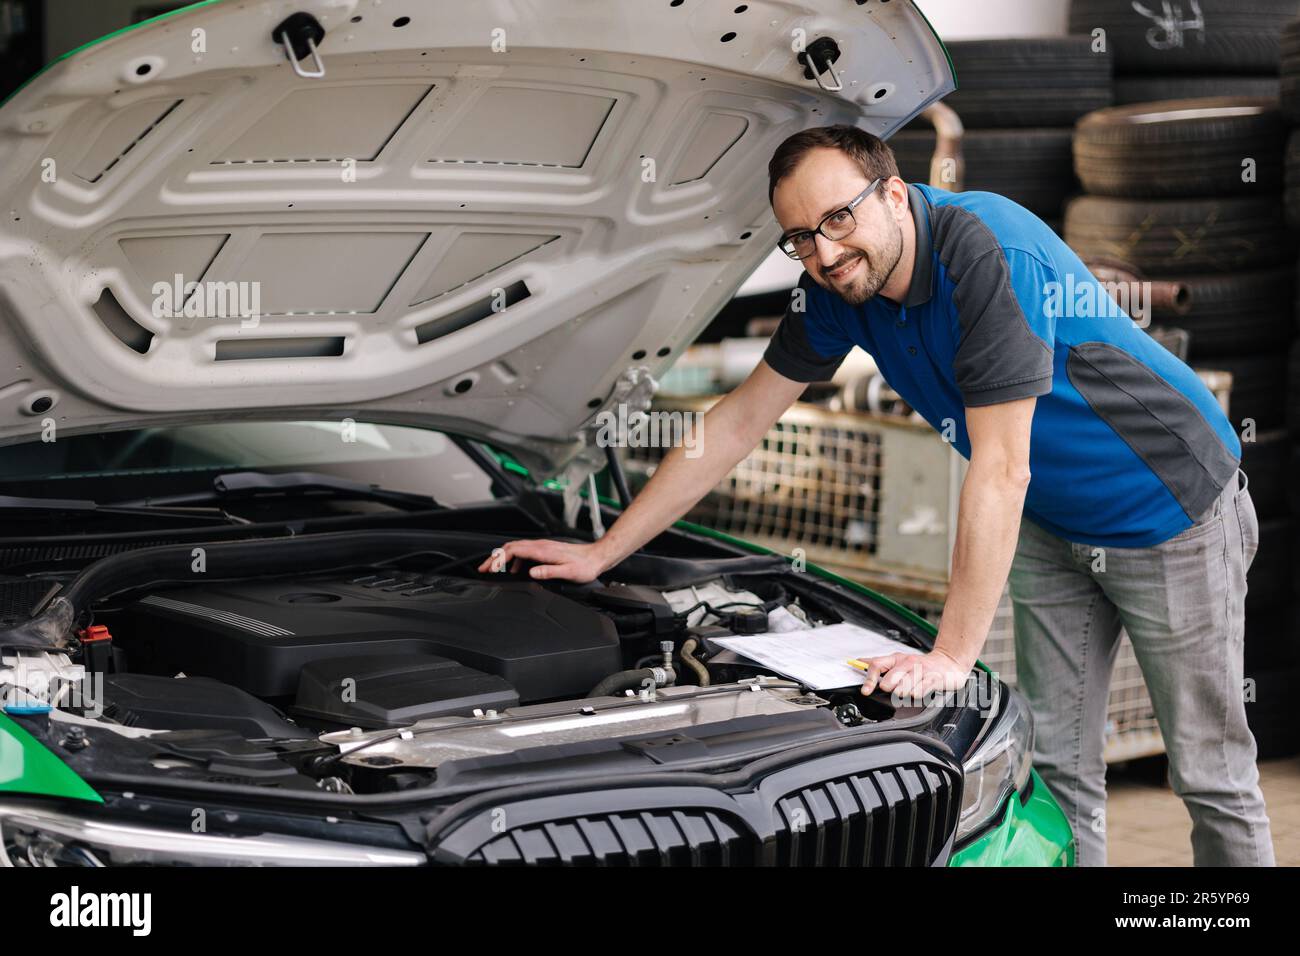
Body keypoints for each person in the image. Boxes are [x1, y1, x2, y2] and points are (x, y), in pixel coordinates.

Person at [480, 124, 1273, 867]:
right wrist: (603, 550)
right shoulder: (835, 286)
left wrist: (950, 657)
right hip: (1049, 517)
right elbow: (737, 423)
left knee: (1208, 769)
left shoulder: (984, 251)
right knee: (1058, 770)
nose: (823, 252)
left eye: (837, 218)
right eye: (800, 237)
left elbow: (1001, 468)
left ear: (895, 195)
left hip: (1169, 503)